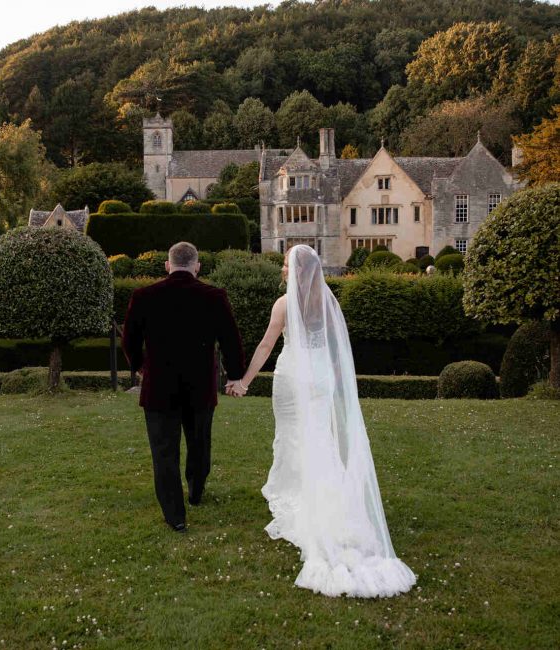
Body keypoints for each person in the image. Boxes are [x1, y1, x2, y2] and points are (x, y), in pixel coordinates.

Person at [227, 245, 416, 597]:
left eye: (285, 265)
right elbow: (334, 349)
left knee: (291, 436)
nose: (282, 269)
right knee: (320, 437)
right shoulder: (329, 302)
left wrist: (244, 381)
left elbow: (267, 346)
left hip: (294, 375)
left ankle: (295, 492)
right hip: (320, 377)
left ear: (296, 270)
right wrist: (334, 387)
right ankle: (326, 492)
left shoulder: (284, 304)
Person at [122, 241, 245, 533]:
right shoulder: (214, 296)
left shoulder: (143, 296)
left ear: (168, 265)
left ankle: (175, 515)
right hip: (199, 386)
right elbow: (231, 340)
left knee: (164, 451)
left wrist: (140, 366)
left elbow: (129, 341)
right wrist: (235, 375)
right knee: (199, 444)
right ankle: (196, 490)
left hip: (158, 387)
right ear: (197, 266)